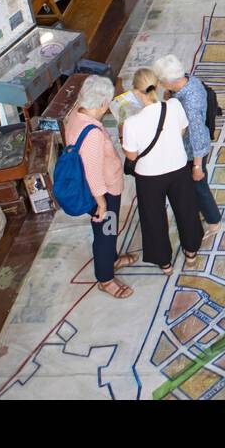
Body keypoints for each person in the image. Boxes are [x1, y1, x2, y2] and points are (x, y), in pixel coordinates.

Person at [121, 67, 202, 276]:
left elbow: (131, 156)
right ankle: (191, 252)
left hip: (149, 177)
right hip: (178, 168)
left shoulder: (131, 123)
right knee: (186, 210)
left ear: (137, 93)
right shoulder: (174, 106)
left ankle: (165, 263)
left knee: (153, 218)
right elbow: (183, 130)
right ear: (157, 86)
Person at [65, 74, 139, 299]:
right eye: (108, 102)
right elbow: (93, 173)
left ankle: (113, 259)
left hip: (100, 187)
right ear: (102, 104)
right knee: (105, 233)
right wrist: (102, 204)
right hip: (103, 191)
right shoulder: (93, 136)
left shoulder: (78, 112)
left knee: (108, 232)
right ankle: (106, 278)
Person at [153, 54, 222, 236]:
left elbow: (197, 134)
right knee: (193, 186)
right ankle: (201, 211)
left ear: (169, 81)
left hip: (193, 151)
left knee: (199, 185)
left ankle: (213, 221)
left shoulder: (190, 102)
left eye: (161, 81)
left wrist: (197, 166)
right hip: (188, 146)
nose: (159, 84)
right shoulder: (187, 80)